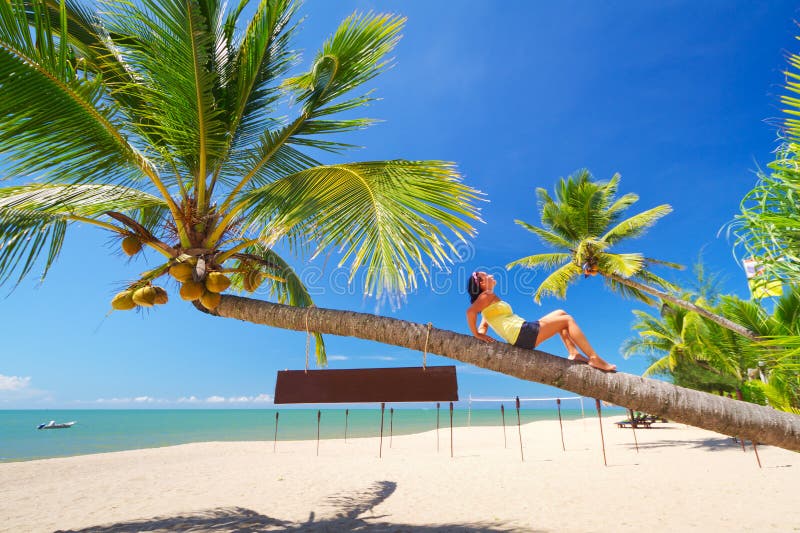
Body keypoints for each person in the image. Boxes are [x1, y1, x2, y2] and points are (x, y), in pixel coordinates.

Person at [465, 271, 616, 372]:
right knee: (567, 320)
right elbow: (470, 312)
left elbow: (484, 324)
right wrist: (477, 335)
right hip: (522, 333)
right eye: (487, 275)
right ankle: (594, 358)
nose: (491, 276)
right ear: (482, 283)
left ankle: (573, 353)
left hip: (522, 331)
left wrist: (481, 334)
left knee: (560, 312)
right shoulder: (487, 295)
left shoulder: (487, 306)